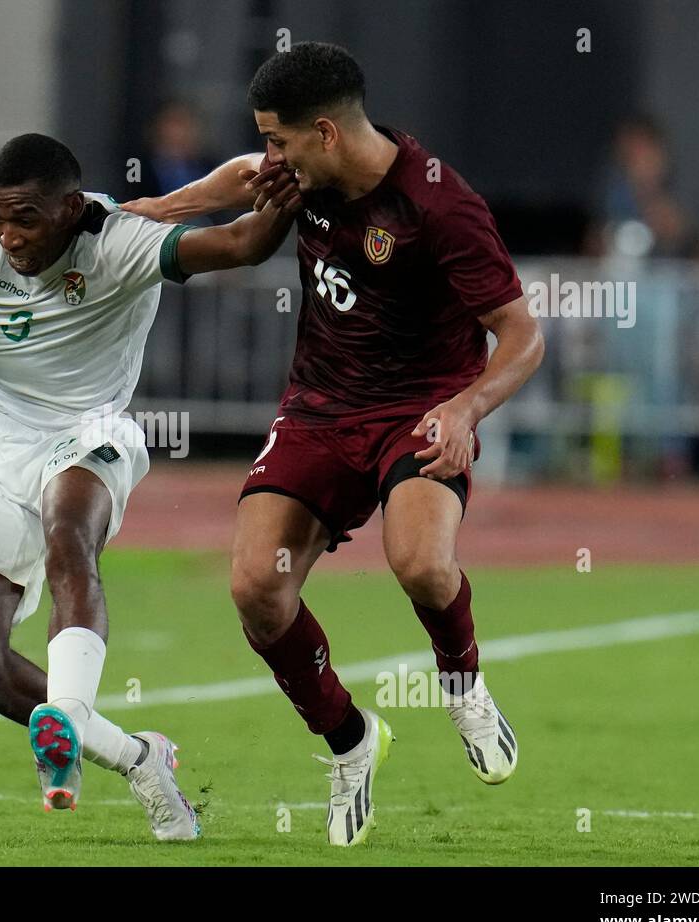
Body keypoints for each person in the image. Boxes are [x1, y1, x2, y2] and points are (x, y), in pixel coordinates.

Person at [0, 132, 299, 841]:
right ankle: (135, 756)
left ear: (70, 209)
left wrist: (285, 200)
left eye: (26, 219)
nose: (7, 236)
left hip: (91, 431)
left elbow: (242, 245)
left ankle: (64, 722)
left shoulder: (122, 242)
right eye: (0, 217)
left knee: (68, 529)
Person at [124, 43, 545, 846]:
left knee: (421, 562)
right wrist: (147, 213)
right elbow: (239, 179)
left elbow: (523, 335)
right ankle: (352, 742)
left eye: (279, 140)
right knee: (256, 589)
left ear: (324, 132)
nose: (269, 157)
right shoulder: (299, 173)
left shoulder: (439, 206)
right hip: (319, 411)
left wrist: (467, 409)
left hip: (419, 410)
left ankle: (463, 684)